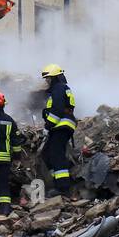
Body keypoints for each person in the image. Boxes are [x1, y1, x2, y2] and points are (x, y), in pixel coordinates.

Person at [40, 64, 76, 196]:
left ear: (54, 78)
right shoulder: (61, 88)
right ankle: (57, 181)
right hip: (61, 125)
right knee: (47, 154)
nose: (47, 81)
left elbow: (57, 110)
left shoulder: (58, 88)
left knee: (56, 154)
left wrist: (48, 126)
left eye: (48, 78)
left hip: (61, 125)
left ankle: (63, 188)